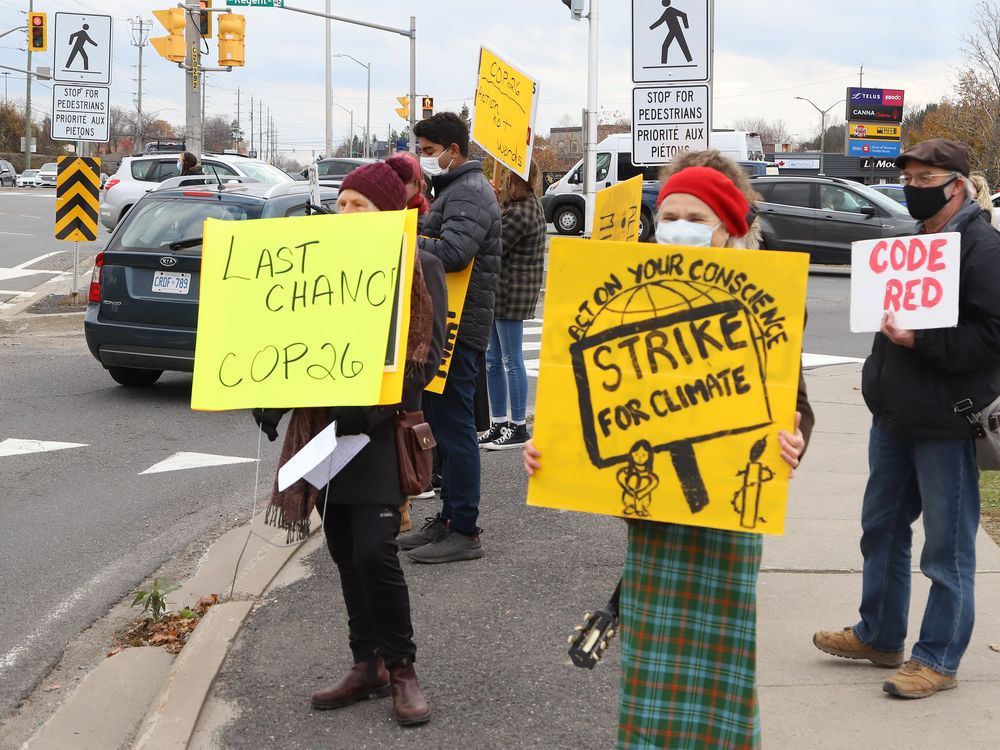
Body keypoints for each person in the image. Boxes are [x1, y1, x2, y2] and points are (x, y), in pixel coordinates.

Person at [524, 155, 815, 749]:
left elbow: (796, 403)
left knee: (722, 671)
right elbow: (589, 405)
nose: (679, 226)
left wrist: (795, 439)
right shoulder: (635, 297)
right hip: (655, 522)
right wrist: (549, 449)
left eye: (696, 217)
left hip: (726, 523)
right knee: (653, 674)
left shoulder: (769, 298)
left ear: (729, 228)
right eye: (670, 215)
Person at [255, 161, 446, 726]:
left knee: (373, 551)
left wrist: (376, 403)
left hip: (381, 434)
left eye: (358, 205)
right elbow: (298, 342)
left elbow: (426, 356)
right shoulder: (322, 265)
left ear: (386, 212)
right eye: (340, 204)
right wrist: (274, 394)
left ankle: (403, 669)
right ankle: (367, 663)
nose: (345, 214)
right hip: (328, 433)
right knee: (343, 549)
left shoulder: (421, 264)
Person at [814, 138, 1000, 699]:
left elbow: (992, 337)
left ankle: (938, 658)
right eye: (909, 178)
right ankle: (880, 635)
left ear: (958, 185)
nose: (913, 188)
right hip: (894, 417)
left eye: (926, 179)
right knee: (882, 531)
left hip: (947, 422)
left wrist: (921, 340)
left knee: (947, 550)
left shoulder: (981, 246)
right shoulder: (912, 243)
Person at [398, 112, 501, 564]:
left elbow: (455, 254)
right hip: (448, 323)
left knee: (456, 430)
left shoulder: (470, 193)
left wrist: (403, 241)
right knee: (442, 425)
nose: (423, 160)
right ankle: (448, 517)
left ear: (451, 150)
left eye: (426, 151)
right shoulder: (457, 190)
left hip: (461, 328)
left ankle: (464, 529)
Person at [480, 160, 546, 450]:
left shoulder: (521, 211)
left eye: (508, 175)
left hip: (511, 291)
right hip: (502, 290)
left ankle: (518, 426)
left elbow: (494, 244)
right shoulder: (521, 206)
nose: (504, 179)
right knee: (493, 360)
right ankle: (499, 423)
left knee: (508, 359)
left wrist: (491, 210)